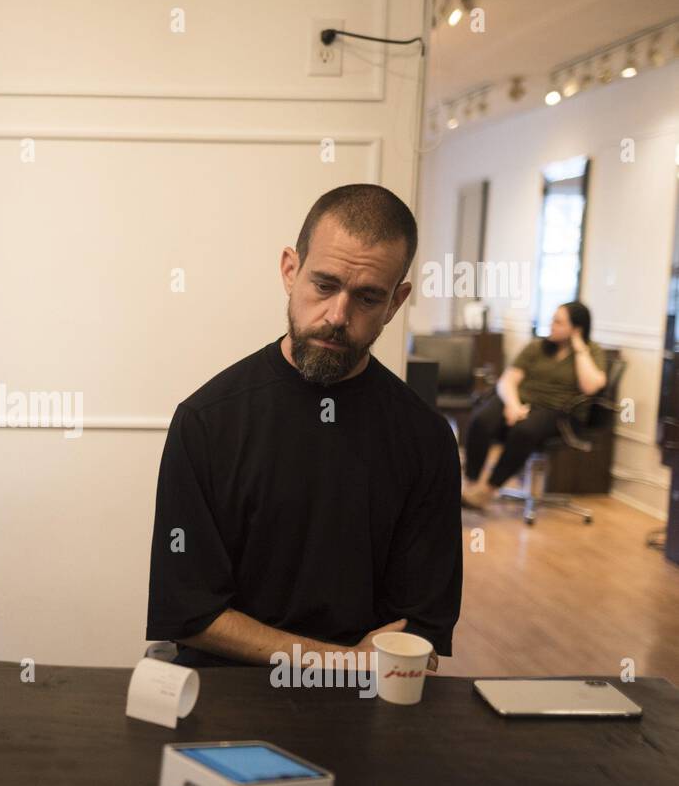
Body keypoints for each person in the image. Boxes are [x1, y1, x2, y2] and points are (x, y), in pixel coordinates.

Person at [146, 184, 461, 668]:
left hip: (364, 701)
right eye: (325, 284)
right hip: (230, 693)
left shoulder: (426, 439)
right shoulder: (206, 422)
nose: (338, 316)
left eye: (367, 297)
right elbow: (189, 614)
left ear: (396, 303)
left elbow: (420, 628)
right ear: (290, 270)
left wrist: (354, 670)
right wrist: (336, 662)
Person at [461, 301, 607, 511]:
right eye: (552, 320)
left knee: (524, 431)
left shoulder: (591, 351)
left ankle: (489, 490)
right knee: (481, 420)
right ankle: (472, 483)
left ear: (576, 328)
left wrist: (579, 349)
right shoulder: (537, 347)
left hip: (558, 411)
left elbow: (591, 386)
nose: (552, 325)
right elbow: (507, 381)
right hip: (518, 400)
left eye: (559, 322)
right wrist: (513, 406)